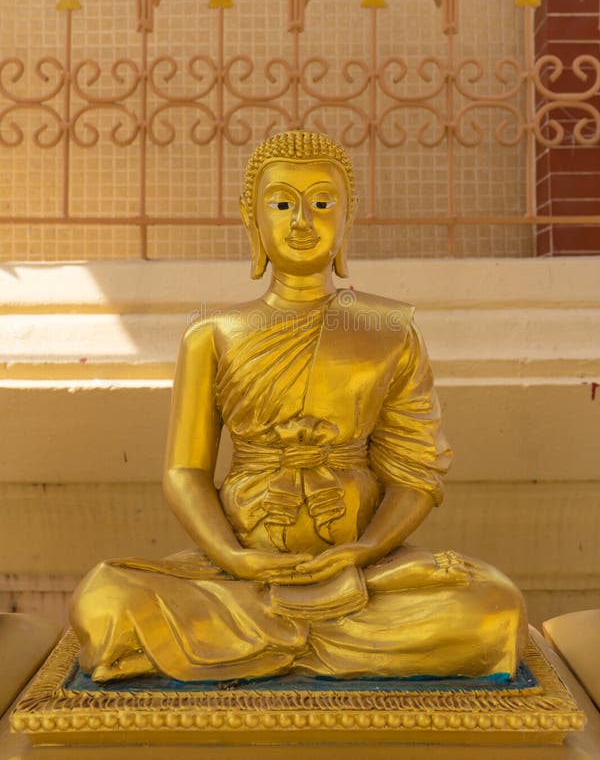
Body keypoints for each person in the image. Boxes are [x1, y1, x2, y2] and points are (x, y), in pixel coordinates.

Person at [70, 130, 527, 683]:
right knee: (102, 600)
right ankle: (301, 639)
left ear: (347, 218)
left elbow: (414, 472)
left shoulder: (388, 330)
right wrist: (233, 557)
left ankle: (252, 646)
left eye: (322, 203)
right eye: (282, 203)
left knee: (494, 608)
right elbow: (185, 471)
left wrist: (365, 548)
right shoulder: (214, 333)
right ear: (252, 220)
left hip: (360, 572)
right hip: (243, 571)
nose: (302, 221)